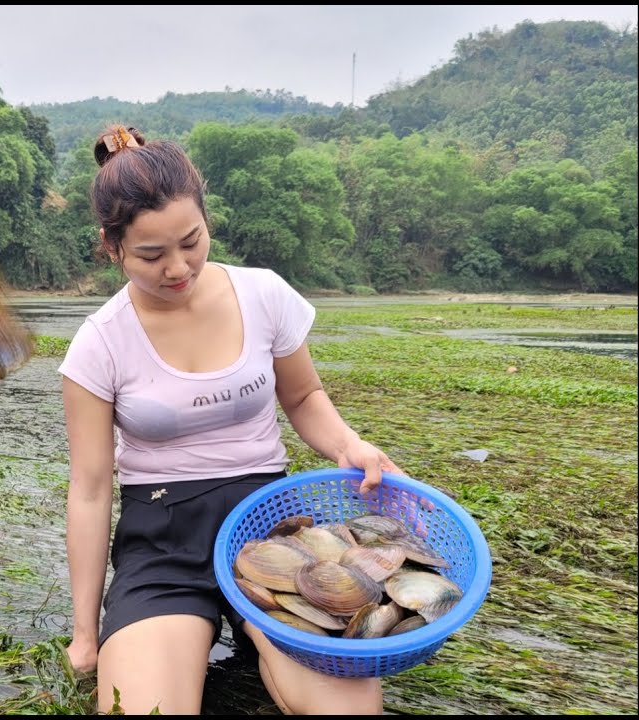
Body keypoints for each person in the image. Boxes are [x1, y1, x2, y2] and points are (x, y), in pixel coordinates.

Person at [58, 124, 400, 715]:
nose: (178, 267)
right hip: (162, 540)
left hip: (271, 530)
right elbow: (89, 490)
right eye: (150, 254)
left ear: (205, 219)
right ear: (111, 247)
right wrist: (84, 632)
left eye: (191, 240)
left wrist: (349, 443)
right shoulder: (98, 345)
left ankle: (260, 641)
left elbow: (304, 397)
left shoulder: (263, 294)